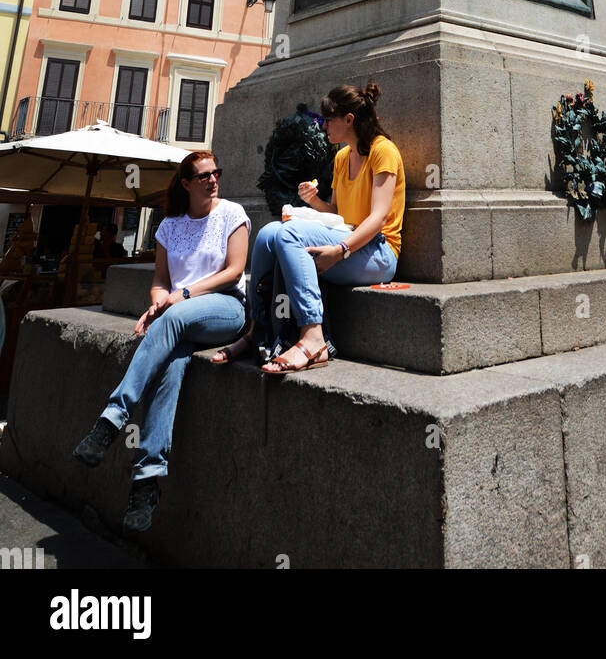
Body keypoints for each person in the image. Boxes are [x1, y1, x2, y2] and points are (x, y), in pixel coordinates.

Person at [72, 151, 249, 533]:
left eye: (216, 172)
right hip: (179, 320)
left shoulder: (232, 214)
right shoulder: (169, 226)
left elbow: (234, 271)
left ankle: (112, 419)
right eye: (203, 176)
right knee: (171, 365)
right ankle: (147, 481)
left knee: (173, 321)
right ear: (186, 184)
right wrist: (158, 300)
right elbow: (160, 281)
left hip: (225, 310)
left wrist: (179, 298)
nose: (213, 180)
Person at [216, 82, 404, 374]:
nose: (324, 125)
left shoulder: (384, 151)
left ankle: (313, 335)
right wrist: (314, 200)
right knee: (268, 233)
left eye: (329, 119)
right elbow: (338, 215)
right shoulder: (342, 157)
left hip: (378, 253)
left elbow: (378, 217)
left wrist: (339, 251)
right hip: (349, 241)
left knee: (288, 233)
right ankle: (258, 331)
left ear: (349, 120)